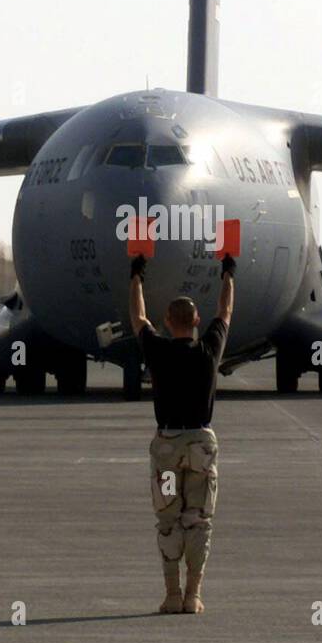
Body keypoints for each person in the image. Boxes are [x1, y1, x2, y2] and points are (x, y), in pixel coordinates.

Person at [128, 250, 234, 614]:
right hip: (200, 445)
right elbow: (225, 313)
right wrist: (227, 274)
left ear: (167, 322)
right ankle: (194, 594)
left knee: (168, 518)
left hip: (169, 447)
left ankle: (172, 593)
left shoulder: (157, 350)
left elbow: (138, 318)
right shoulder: (209, 351)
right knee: (199, 519)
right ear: (196, 321)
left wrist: (136, 277)